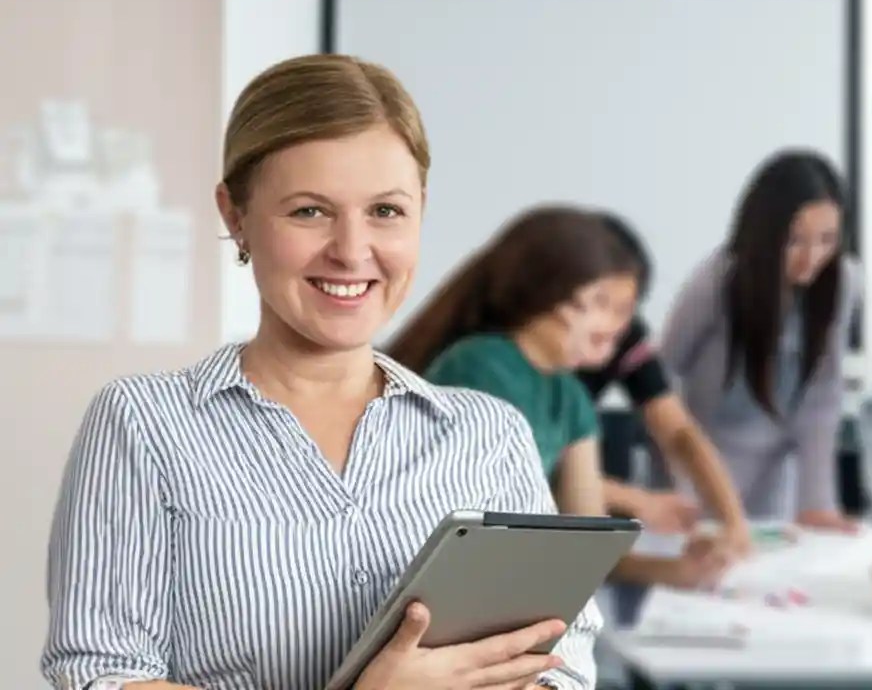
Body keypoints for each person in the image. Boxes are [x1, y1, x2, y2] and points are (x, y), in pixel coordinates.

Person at [41, 54, 595, 690]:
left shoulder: (488, 435)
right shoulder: (144, 424)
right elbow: (103, 676)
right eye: (309, 211)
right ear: (235, 215)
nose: (353, 251)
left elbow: (562, 669)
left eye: (386, 211)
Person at [384, 207, 732, 591]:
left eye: (625, 312)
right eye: (609, 306)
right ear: (559, 300)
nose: (620, 326)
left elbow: (590, 544)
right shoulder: (476, 367)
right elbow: (484, 530)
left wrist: (677, 571)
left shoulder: (571, 398)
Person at [661, 149, 862, 529]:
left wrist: (818, 502)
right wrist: (681, 476)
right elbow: (661, 376)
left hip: (776, 476)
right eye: (794, 241)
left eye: (827, 239)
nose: (811, 258)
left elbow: (822, 397)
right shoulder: (717, 279)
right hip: (702, 469)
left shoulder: (844, 282)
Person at [575, 212, 753, 556]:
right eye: (602, 305)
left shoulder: (619, 339)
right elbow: (541, 472)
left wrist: (733, 523)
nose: (614, 330)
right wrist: (639, 502)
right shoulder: (507, 364)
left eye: (626, 309)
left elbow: (679, 431)